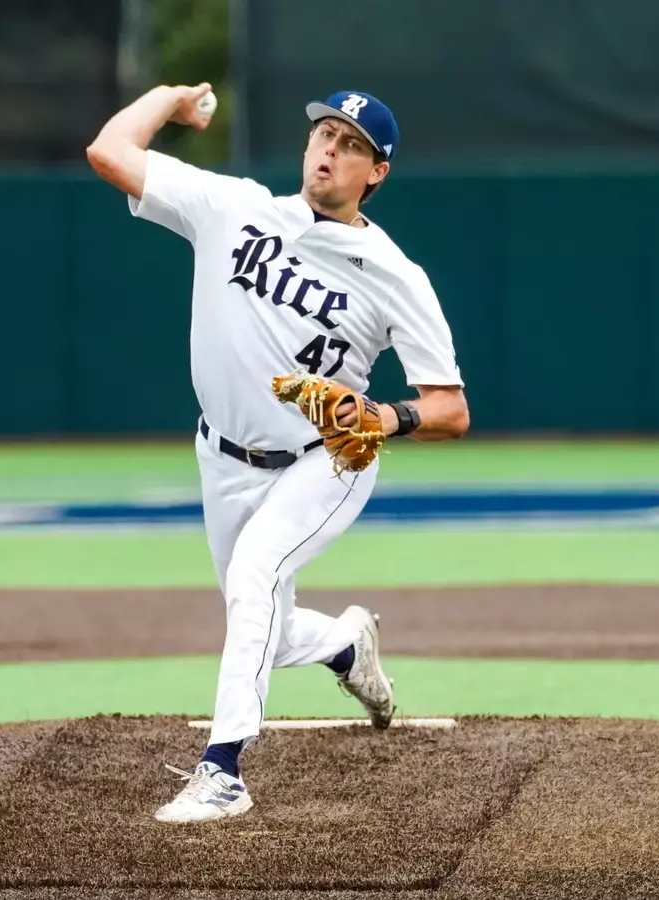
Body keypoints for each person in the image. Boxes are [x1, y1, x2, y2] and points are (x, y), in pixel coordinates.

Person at [87, 84, 470, 823]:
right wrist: (169, 98)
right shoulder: (233, 208)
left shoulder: (395, 275)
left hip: (327, 458)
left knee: (256, 575)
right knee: (258, 612)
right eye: (324, 134)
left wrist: (386, 416)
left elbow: (451, 407)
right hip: (222, 458)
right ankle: (345, 646)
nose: (330, 150)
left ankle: (223, 769)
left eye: (352, 144)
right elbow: (109, 153)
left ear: (377, 173)